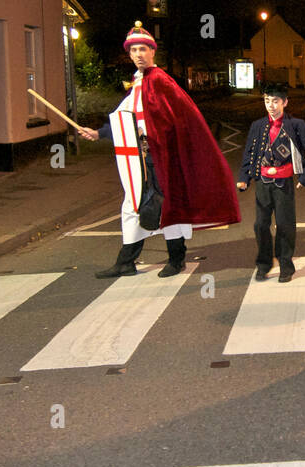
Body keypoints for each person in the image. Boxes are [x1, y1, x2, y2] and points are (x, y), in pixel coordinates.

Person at [77, 23, 240, 278]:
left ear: (153, 52)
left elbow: (177, 120)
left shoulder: (160, 81)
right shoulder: (138, 81)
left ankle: (176, 259)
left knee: (168, 206)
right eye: (134, 50)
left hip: (162, 156)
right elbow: (125, 118)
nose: (139, 54)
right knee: (132, 204)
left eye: (143, 49)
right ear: (129, 54)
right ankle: (126, 261)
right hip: (141, 157)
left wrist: (159, 140)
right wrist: (99, 133)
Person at [236, 82, 305, 283]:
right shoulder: (257, 125)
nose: (271, 105)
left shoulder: (296, 125)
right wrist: (243, 178)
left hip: (284, 183)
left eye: (275, 101)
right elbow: (249, 153)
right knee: (260, 225)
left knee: (285, 225)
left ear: (285, 102)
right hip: (263, 182)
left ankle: (285, 266)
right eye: (267, 101)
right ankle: (263, 265)